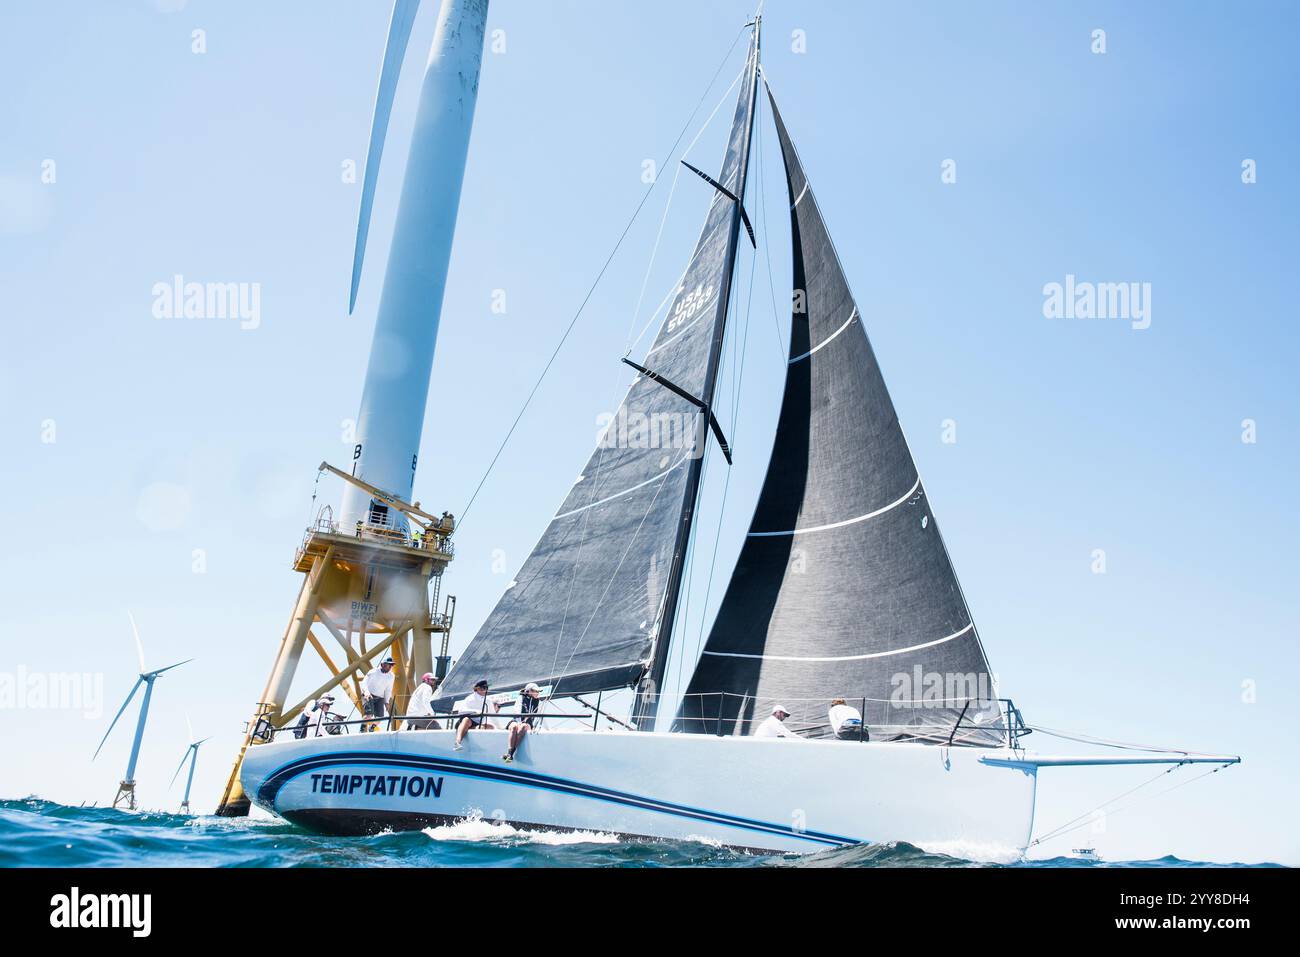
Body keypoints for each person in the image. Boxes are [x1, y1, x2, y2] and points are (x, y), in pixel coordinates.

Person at [453, 679, 498, 751]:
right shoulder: (469, 698)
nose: (485, 690)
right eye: (483, 688)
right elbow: (460, 711)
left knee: (490, 726)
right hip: (465, 722)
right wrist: (475, 712)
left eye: (486, 688)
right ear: (477, 689)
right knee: (467, 720)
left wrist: (501, 728)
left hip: (477, 724)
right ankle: (457, 742)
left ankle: (478, 747)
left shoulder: (488, 700)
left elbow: (493, 716)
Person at [503, 682, 543, 762]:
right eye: (536, 691)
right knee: (514, 726)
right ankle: (509, 753)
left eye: (538, 691)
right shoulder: (520, 698)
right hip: (516, 720)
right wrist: (520, 721)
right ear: (529, 691)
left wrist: (540, 728)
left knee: (523, 726)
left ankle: (510, 754)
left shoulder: (539, 702)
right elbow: (517, 710)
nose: (537, 693)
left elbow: (540, 717)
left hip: (528, 724)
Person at [361, 655, 396, 732]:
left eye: (391, 665)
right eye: (388, 665)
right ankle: (362, 728)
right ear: (382, 665)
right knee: (369, 715)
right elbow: (364, 683)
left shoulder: (391, 676)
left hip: (380, 697)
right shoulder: (373, 672)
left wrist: (386, 702)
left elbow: (388, 689)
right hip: (368, 695)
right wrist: (366, 692)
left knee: (380, 718)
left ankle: (372, 728)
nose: (389, 667)